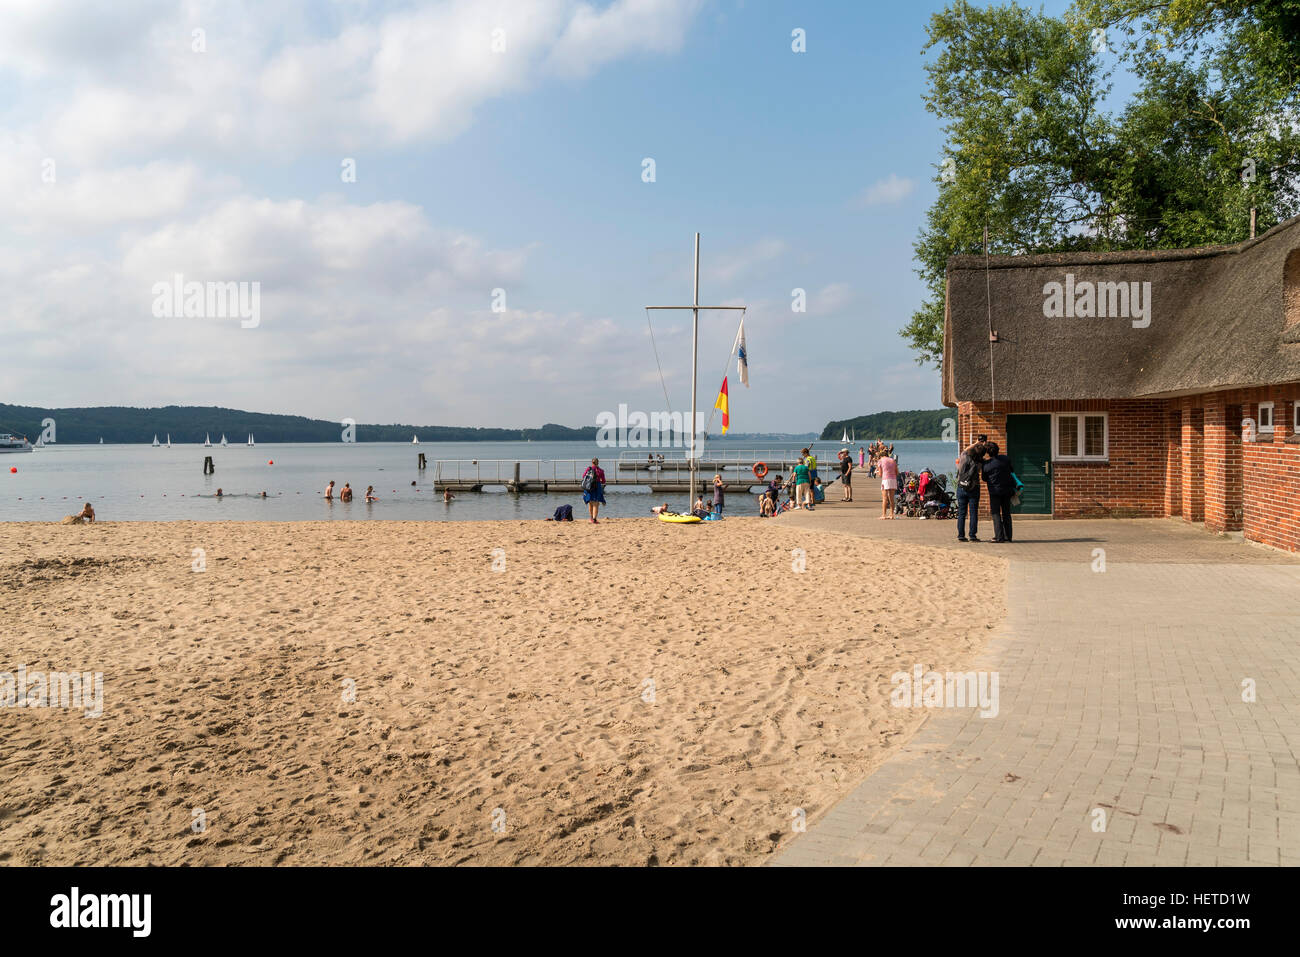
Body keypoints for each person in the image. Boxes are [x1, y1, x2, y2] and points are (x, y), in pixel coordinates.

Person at [980, 441, 1020, 543]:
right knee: (1006, 513)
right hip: (1007, 490)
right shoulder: (1006, 459)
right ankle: (1008, 536)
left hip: (995, 492)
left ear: (987, 452)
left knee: (996, 513)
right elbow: (1012, 470)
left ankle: (999, 537)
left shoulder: (986, 464)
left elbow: (984, 478)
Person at [955, 441, 986, 542]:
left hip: (961, 487)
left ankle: (961, 535)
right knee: (973, 513)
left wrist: (976, 443)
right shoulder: (980, 463)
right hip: (974, 488)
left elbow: (965, 450)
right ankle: (972, 535)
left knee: (961, 513)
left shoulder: (964, 457)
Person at [582, 457, 606, 523]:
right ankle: (594, 519)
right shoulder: (600, 471)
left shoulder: (589, 469)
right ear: (598, 463)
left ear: (592, 463)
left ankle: (591, 518)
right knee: (596, 504)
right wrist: (599, 480)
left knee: (590, 503)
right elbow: (603, 481)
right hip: (597, 487)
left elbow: (583, 476)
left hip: (589, 487)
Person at [877, 450, 897, 519]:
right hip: (893, 479)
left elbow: (880, 474)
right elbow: (897, 472)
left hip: (885, 480)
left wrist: (877, 472)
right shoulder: (893, 460)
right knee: (891, 498)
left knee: (884, 498)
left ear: (881, 456)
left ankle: (884, 515)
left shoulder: (880, 461)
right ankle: (891, 515)